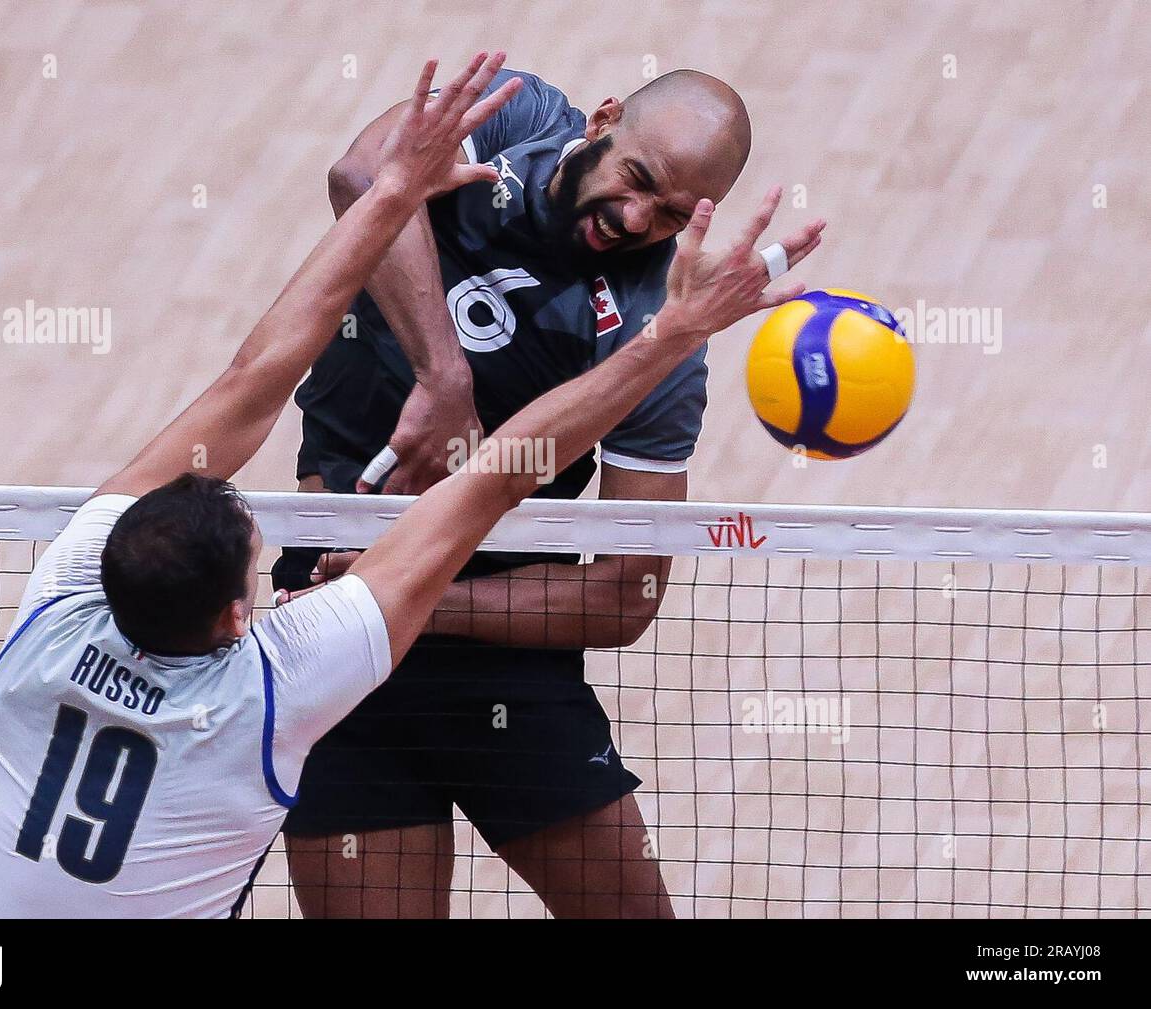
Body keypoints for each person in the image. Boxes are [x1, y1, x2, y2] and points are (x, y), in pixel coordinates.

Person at [279, 65, 826, 916]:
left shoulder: (660, 331)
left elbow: (626, 592)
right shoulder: (517, 118)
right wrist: (445, 374)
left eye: (675, 214)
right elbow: (362, 177)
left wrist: (404, 593)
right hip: (336, 651)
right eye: (636, 179)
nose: (637, 219)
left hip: (495, 658)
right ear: (603, 120)